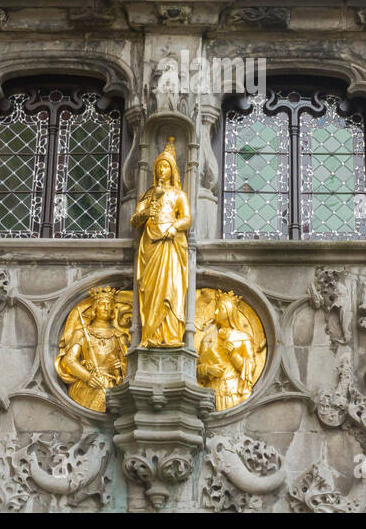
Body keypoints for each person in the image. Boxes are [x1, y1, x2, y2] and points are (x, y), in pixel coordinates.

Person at [131, 137, 191, 347]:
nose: (161, 170)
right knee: (151, 291)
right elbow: (135, 221)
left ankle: (171, 335)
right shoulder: (149, 195)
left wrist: (174, 227)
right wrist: (146, 212)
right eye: (159, 167)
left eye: (165, 166)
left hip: (170, 244)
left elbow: (187, 218)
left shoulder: (178, 194)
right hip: (150, 243)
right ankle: (150, 335)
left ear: (172, 170)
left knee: (170, 288)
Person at [54, 287, 129, 412]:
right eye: (102, 304)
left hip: (112, 386)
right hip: (87, 386)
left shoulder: (119, 336)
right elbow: (68, 360)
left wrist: (118, 368)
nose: (106, 308)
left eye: (109, 305)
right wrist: (87, 377)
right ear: (94, 308)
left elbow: (129, 365)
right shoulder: (82, 333)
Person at [197, 291, 259, 409]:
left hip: (233, 391)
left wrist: (234, 355)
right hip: (210, 393)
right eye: (216, 309)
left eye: (220, 309)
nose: (215, 312)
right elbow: (196, 369)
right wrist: (208, 369)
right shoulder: (208, 338)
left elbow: (250, 367)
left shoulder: (243, 337)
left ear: (229, 311)